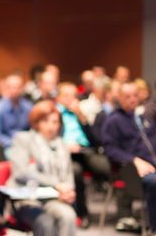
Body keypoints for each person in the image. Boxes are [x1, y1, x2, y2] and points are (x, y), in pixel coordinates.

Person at [101, 82, 156, 236]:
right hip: (131, 169)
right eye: (127, 97)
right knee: (155, 181)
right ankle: (154, 229)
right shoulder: (113, 120)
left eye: (135, 95)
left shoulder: (144, 118)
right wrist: (134, 160)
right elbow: (110, 150)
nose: (132, 99)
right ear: (120, 98)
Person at [7, 100, 77, 236]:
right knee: (46, 222)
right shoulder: (23, 139)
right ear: (36, 122)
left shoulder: (61, 144)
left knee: (68, 215)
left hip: (54, 198)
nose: (51, 126)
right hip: (27, 198)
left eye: (55, 122)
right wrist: (56, 184)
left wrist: (69, 190)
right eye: (46, 121)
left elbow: (68, 173)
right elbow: (22, 172)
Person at [55, 83, 110, 227]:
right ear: (58, 97)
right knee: (75, 172)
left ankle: (125, 212)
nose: (69, 99)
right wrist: (66, 146)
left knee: (107, 167)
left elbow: (95, 140)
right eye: (66, 96)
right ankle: (81, 213)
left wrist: (81, 116)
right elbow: (51, 139)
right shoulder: (55, 114)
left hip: (85, 151)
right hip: (65, 155)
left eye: (73, 96)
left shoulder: (80, 113)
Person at [0, 74, 33, 158]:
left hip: (26, 144)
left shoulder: (28, 106)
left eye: (18, 87)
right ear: (7, 88)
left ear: (22, 88)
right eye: (12, 87)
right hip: (7, 146)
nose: (15, 90)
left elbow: (32, 129)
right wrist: (13, 143)